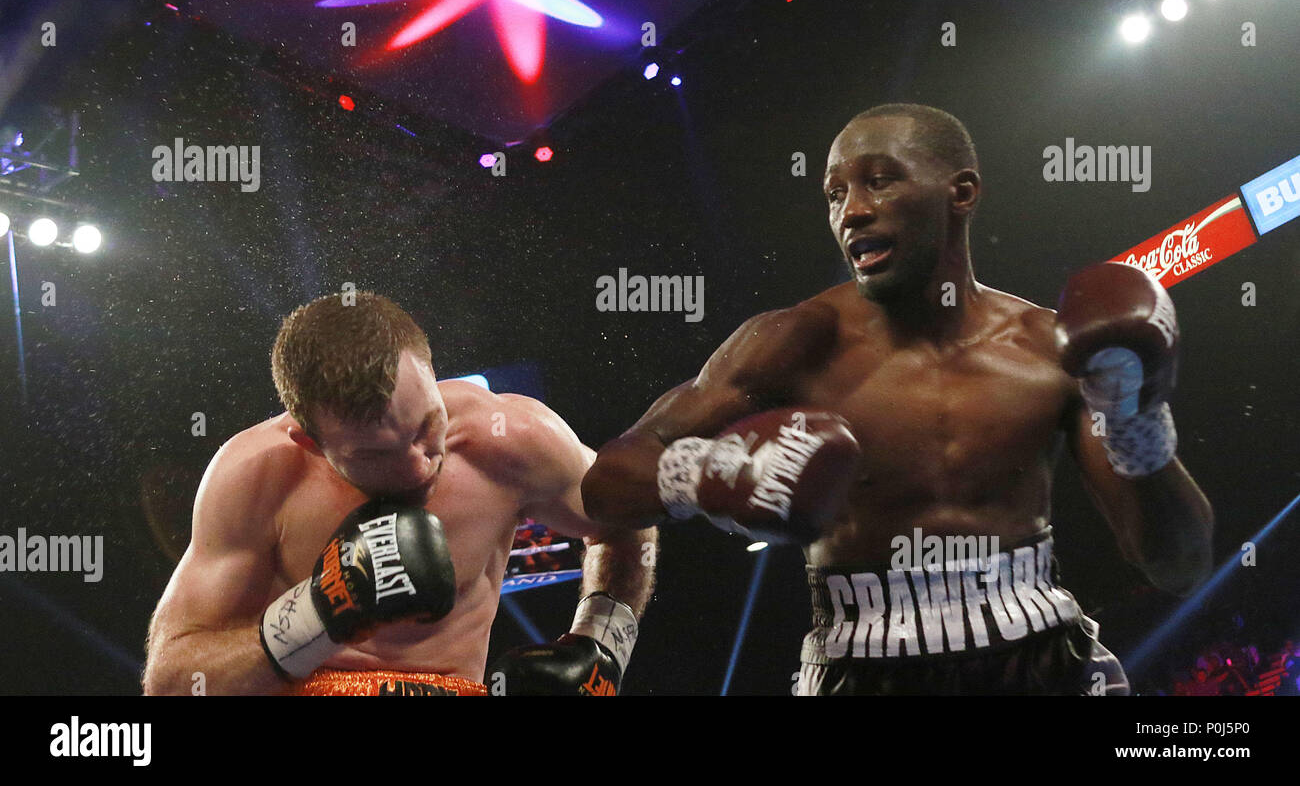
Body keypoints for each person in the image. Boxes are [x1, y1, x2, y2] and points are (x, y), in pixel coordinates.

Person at [580, 103, 1214, 695]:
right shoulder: (793, 341)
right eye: (834, 193)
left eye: (879, 182)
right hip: (862, 668)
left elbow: (1177, 564)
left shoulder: (1051, 348)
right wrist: (703, 473)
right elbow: (606, 486)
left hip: (1044, 660)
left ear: (960, 194)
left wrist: (1136, 421)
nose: (851, 211)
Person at [143, 291, 654, 695]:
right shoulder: (258, 475)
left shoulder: (513, 439)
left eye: (426, 427)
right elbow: (172, 683)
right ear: (310, 440)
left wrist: (602, 649)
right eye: (373, 456)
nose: (416, 464)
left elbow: (628, 521)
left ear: (432, 375)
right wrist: (321, 612)